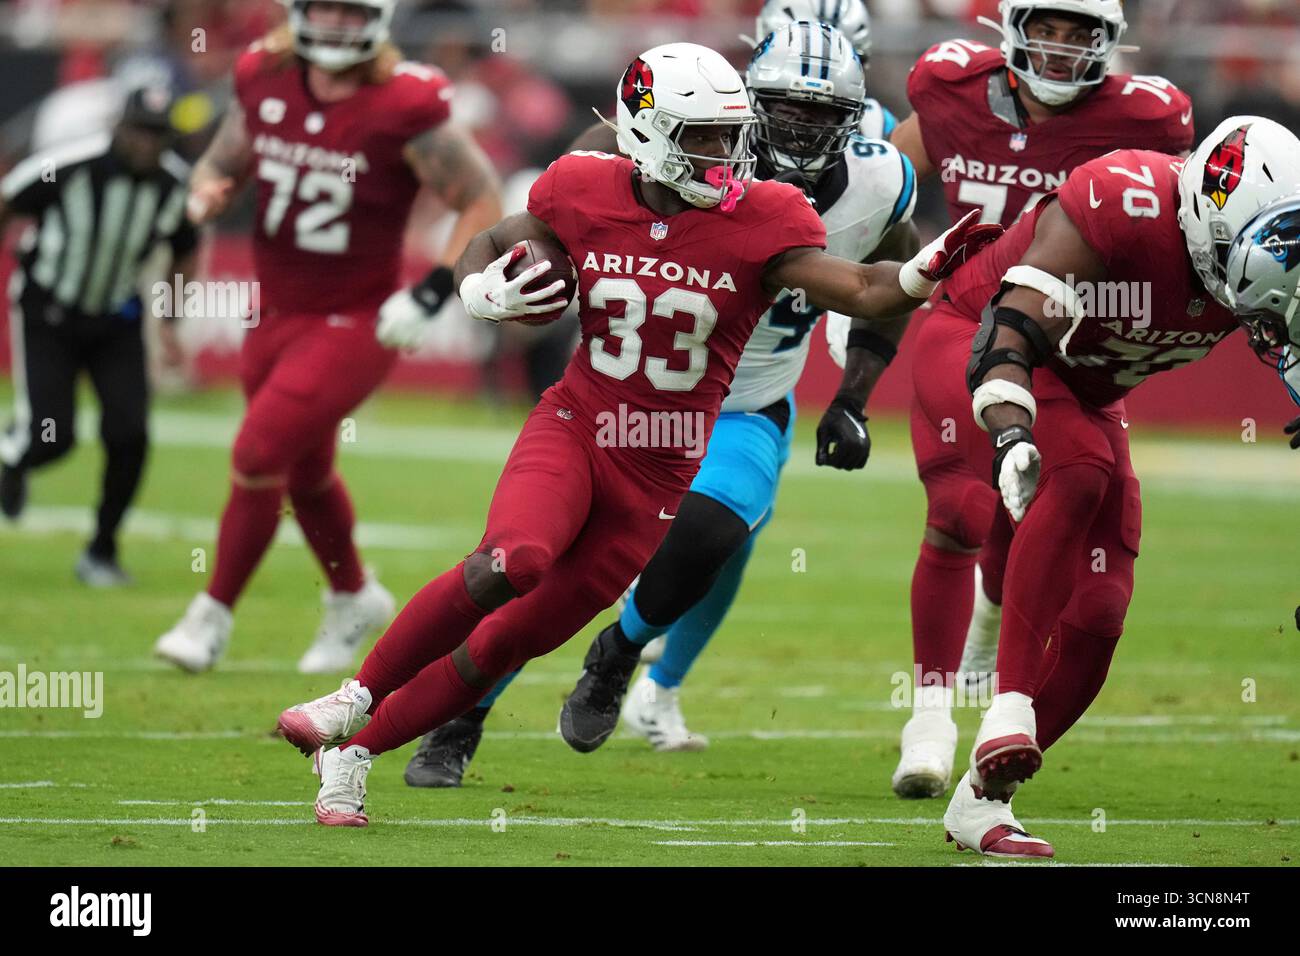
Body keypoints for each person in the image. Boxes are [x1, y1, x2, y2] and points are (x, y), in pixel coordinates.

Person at [273, 41, 997, 826]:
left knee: (508, 643)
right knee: (512, 560)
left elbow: (859, 286)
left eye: (731, 135)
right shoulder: (585, 186)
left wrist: (923, 274)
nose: (726, 154)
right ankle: (352, 699)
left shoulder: (766, 216)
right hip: (578, 426)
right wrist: (476, 288)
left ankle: (349, 757)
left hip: (660, 471)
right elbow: (497, 238)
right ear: (648, 131)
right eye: (704, 136)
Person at [405, 22, 922, 785]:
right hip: (628, 394)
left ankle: (617, 656)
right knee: (543, 565)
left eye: (821, 117)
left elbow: (894, 276)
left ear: (853, 121)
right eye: (783, 110)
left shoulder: (874, 181)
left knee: (712, 531)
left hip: (749, 399)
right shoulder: (642, 146)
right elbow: (549, 218)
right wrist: (499, 283)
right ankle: (461, 714)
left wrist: (853, 395)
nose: (800, 130)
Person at [924, 116, 1300, 857]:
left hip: (1092, 387)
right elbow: (1011, 329)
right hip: (981, 339)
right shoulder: (1122, 202)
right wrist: (1010, 431)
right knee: (1082, 474)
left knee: (1099, 617)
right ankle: (1006, 704)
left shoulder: (1271, 258)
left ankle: (980, 804)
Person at [851, 0, 1196, 800]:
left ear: (1111, 46)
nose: (1063, 48)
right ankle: (931, 719)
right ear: (1013, 27)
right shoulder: (950, 88)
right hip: (971, 317)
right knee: (965, 510)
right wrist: (866, 288)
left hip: (1073, 351)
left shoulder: (1147, 119)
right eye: (1050, 28)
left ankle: (994, 634)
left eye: (1084, 36)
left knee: (1060, 529)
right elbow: (890, 185)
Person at [151, 0, 503, 674]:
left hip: (357, 317)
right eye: (326, 10)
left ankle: (212, 614)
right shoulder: (264, 74)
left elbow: (481, 199)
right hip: (275, 310)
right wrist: (209, 188)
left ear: (378, 19)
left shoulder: (403, 100)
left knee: (258, 451)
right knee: (306, 471)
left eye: (352, 12)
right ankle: (352, 596)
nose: (338, 25)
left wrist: (431, 290)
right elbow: (224, 158)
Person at [0, 85, 194, 586]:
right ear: (118, 128)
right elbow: (9, 198)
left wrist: (171, 320)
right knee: (52, 435)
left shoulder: (174, 185)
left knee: (130, 433)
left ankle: (102, 549)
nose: (148, 145)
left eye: (158, 135)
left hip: (116, 319)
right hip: (49, 312)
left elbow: (185, 247)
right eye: (139, 132)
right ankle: (13, 457)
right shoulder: (68, 165)